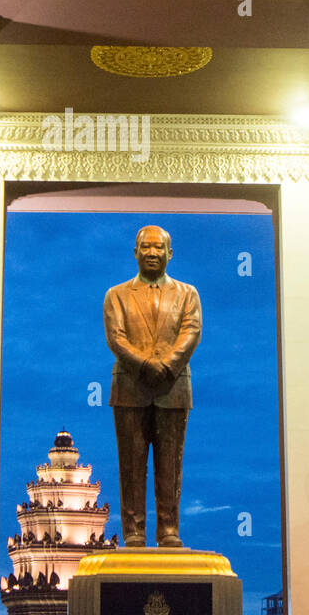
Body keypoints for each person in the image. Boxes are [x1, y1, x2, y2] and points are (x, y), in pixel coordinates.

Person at [103, 224, 202, 547]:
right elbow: (116, 338)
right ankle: (133, 530)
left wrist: (168, 365)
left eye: (159, 247)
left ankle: (169, 530)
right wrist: (145, 365)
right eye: (145, 247)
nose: (152, 253)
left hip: (173, 388)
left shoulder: (187, 294)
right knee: (130, 465)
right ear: (135, 252)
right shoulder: (116, 295)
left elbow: (191, 332)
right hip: (130, 387)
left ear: (169, 254)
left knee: (170, 465)